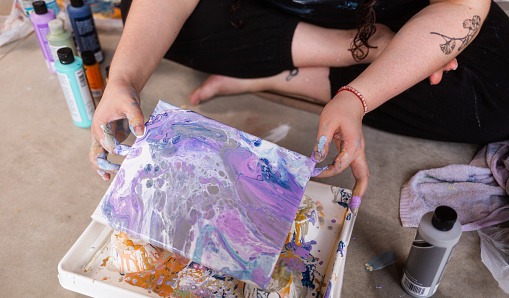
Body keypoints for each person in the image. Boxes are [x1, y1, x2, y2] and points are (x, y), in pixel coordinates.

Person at [89, 0, 509, 211]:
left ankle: (277, 72)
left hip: (399, 11)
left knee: (497, 101)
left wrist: (358, 98)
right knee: (143, 15)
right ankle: (351, 50)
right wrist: (123, 79)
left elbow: (462, 7)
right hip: (284, 15)